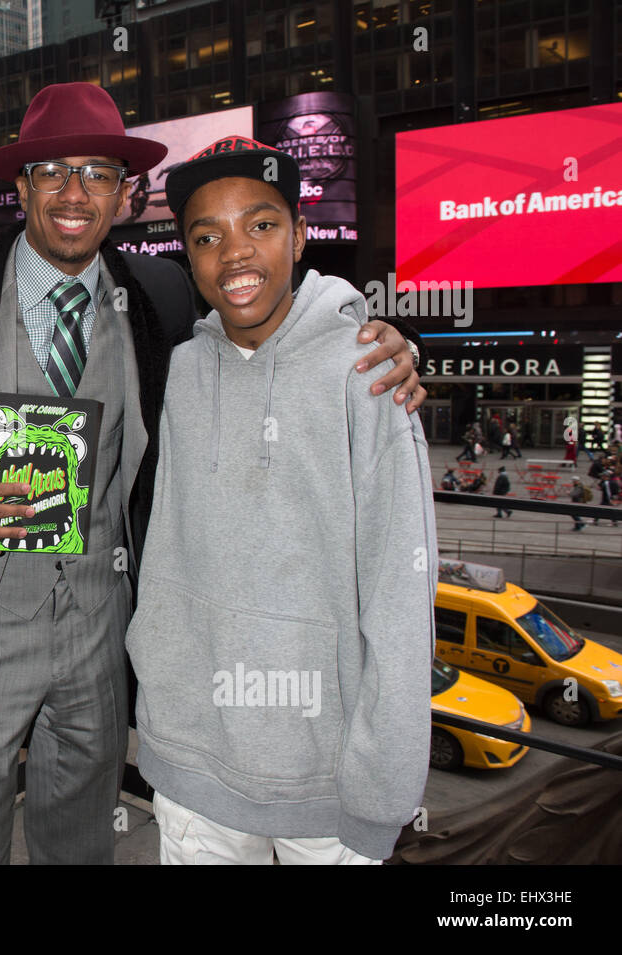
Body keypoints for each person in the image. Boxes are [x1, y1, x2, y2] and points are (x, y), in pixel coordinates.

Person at [0, 84, 425, 866]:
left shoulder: (159, 295)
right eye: (54, 172)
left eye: (98, 173)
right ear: (23, 186)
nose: (75, 194)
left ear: (124, 194)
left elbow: (264, 329)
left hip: (103, 640)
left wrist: (376, 336)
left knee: (80, 847)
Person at [118, 137, 436, 866]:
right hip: (191, 776)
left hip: (326, 798)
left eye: (259, 224)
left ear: (299, 233)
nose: (234, 253)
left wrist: (381, 794)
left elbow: (400, 592)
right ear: (186, 254)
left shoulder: (368, 374)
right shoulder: (180, 372)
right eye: (207, 235)